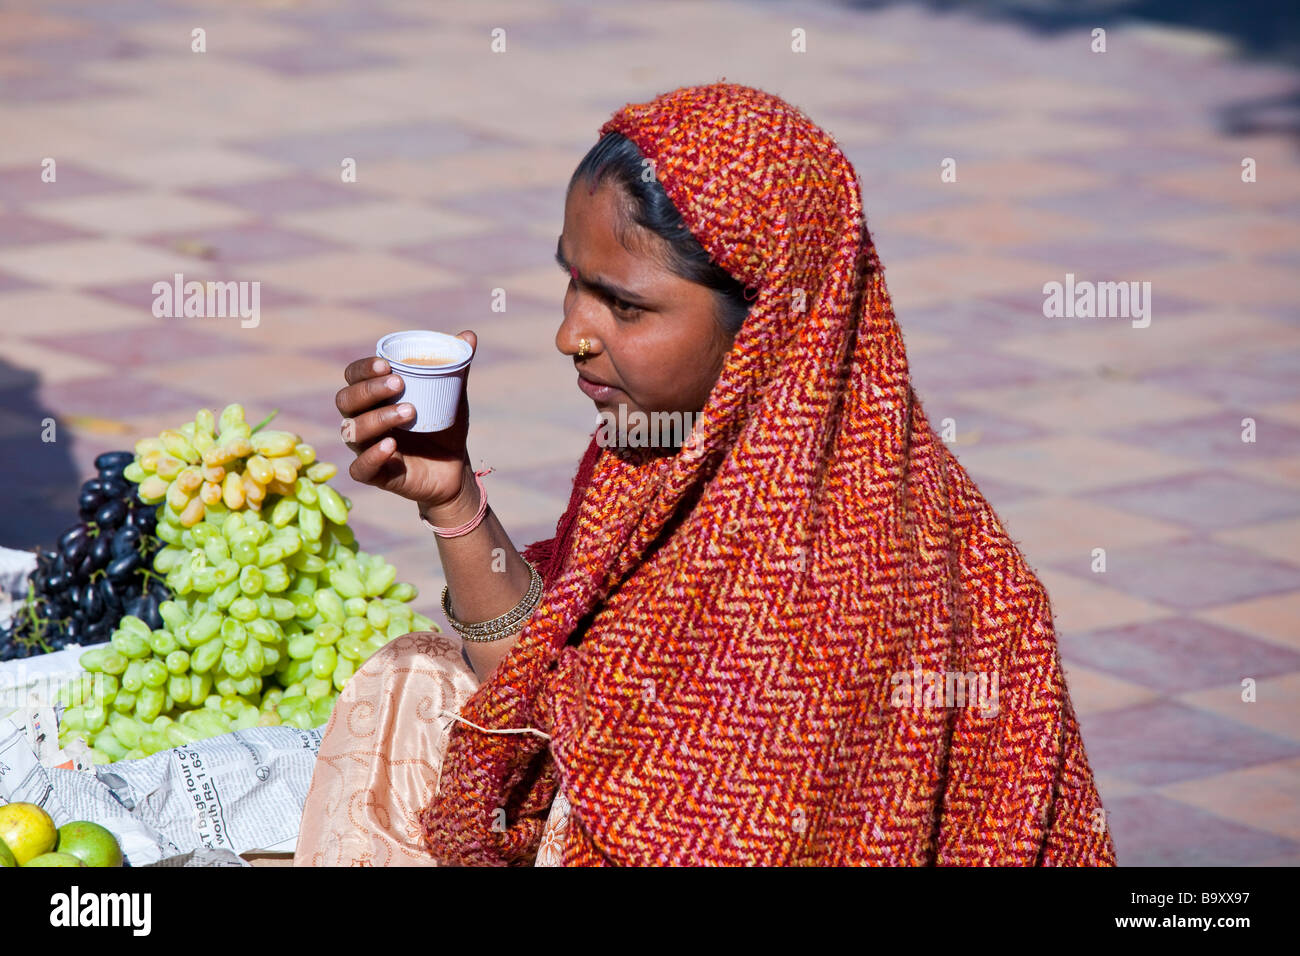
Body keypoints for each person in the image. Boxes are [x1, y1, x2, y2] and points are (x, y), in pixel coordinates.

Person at [297, 81, 1117, 867]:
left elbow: (669, 816)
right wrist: (454, 498)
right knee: (407, 686)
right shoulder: (664, 452)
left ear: (764, 325)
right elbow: (542, 687)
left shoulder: (847, 573)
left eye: (624, 305)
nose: (569, 333)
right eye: (571, 280)